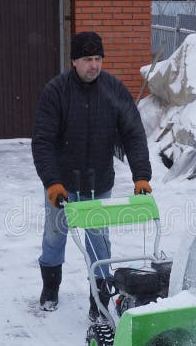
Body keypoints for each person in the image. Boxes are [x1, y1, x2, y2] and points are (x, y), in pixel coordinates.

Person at [31, 31, 152, 321]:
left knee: (99, 241)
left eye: (98, 59)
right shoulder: (56, 92)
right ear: (74, 60)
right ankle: (51, 288)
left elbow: (133, 133)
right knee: (55, 236)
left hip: (99, 182)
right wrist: (52, 183)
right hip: (63, 185)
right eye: (87, 59)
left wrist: (141, 176)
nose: (94, 65)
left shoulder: (113, 90)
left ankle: (97, 298)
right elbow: (43, 140)